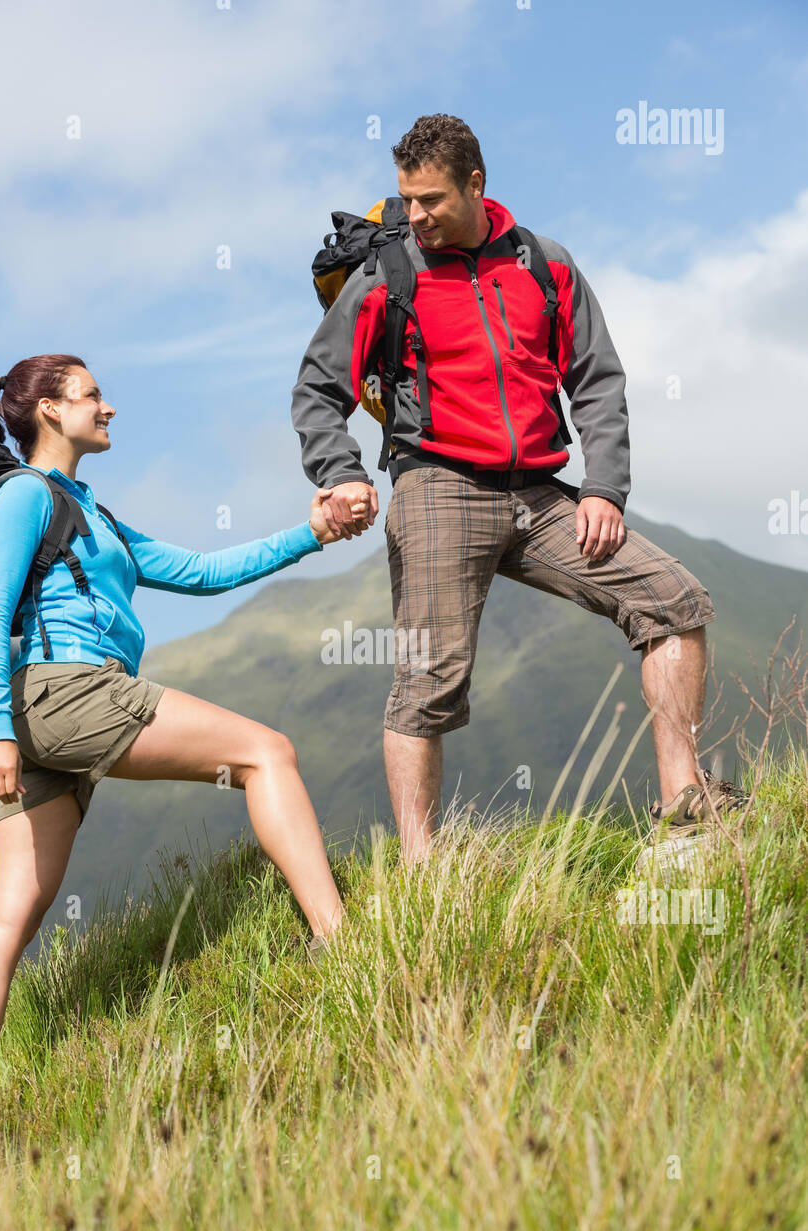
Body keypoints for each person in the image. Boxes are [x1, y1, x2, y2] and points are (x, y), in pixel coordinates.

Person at [291, 113, 746, 862]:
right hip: (437, 485)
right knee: (428, 682)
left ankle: (685, 812)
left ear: (476, 184)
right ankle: (421, 872)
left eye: (432, 199)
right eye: (406, 199)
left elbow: (596, 380)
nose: (417, 216)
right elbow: (317, 388)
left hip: (541, 494)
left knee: (674, 601)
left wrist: (605, 487)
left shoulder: (546, 264)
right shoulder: (386, 276)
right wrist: (339, 473)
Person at [0, 353, 363, 1097]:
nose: (108, 409)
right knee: (267, 753)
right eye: (92, 396)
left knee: (8, 913)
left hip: (44, 712)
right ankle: (345, 950)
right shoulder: (23, 496)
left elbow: (204, 572)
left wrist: (313, 532)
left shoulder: (93, 513)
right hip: (65, 692)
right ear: (49, 410)